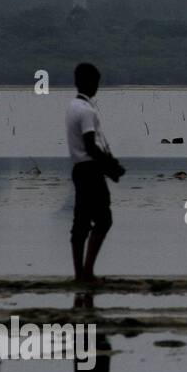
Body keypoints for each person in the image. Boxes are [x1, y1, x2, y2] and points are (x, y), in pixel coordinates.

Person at [65, 63, 125, 282]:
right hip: (90, 170)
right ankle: (87, 271)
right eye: (95, 82)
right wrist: (111, 166)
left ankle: (80, 273)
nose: (96, 87)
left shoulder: (73, 107)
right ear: (90, 82)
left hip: (79, 170)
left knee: (80, 223)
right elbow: (91, 146)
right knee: (103, 220)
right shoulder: (87, 111)